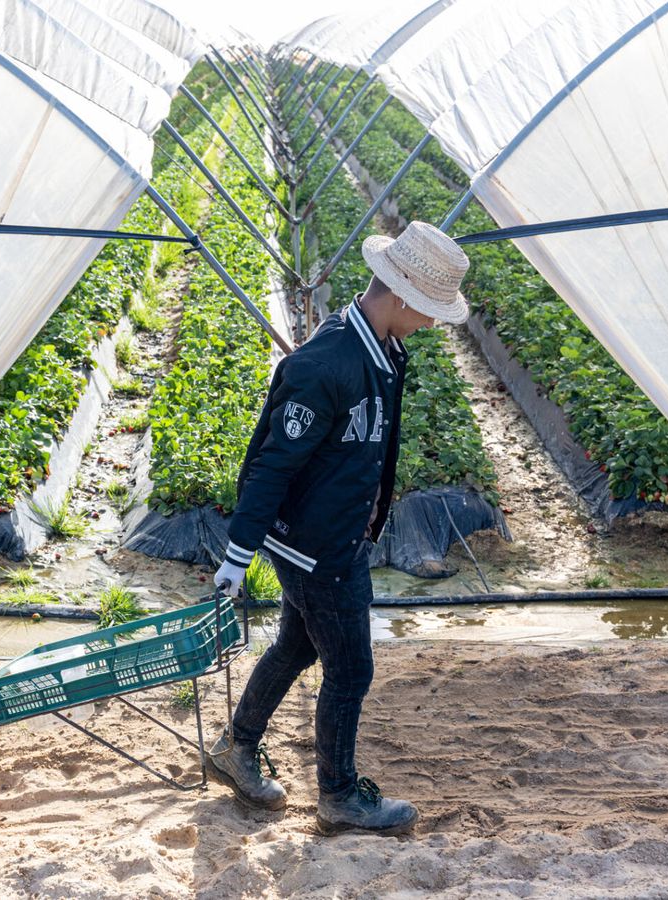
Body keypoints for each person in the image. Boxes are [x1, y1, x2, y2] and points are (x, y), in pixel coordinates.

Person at [204, 221, 471, 836]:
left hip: (334, 533)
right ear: (400, 296)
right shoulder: (325, 365)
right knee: (350, 671)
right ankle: (339, 797)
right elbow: (272, 464)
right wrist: (237, 557)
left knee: (298, 646)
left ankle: (236, 748)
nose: (433, 324)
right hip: (318, 548)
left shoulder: (379, 350)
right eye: (429, 310)